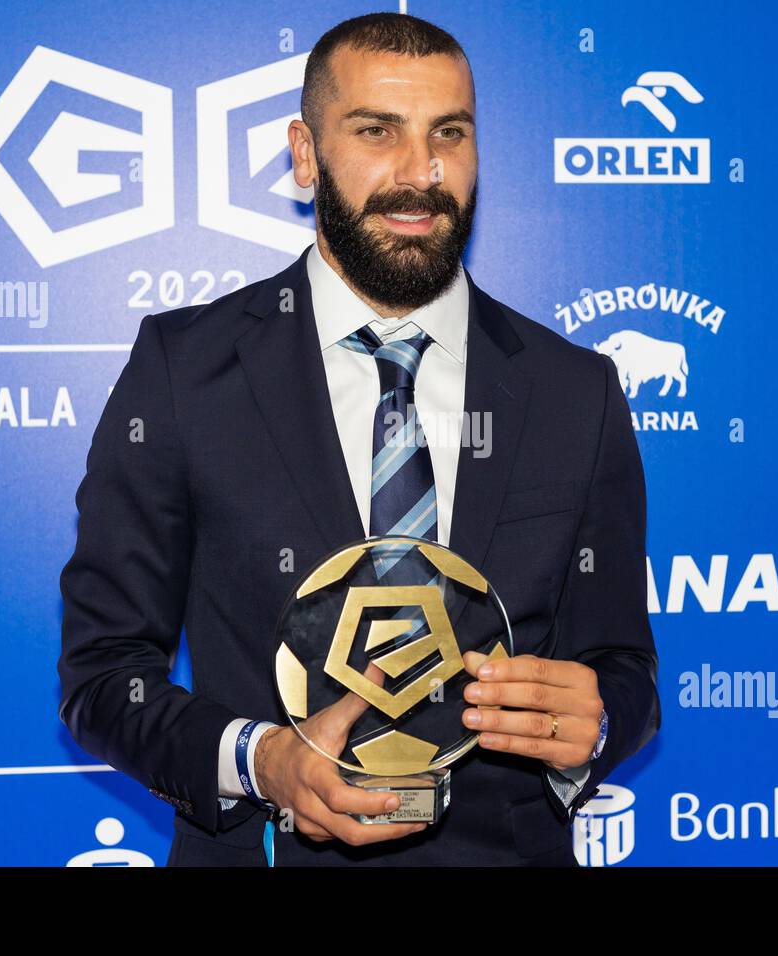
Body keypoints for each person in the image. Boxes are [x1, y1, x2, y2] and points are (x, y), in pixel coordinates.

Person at [57, 11, 659, 867]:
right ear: (306, 155)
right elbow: (103, 673)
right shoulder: (183, 371)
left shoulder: (576, 389)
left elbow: (621, 667)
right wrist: (262, 762)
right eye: (377, 131)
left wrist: (595, 722)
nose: (421, 173)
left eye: (449, 132)